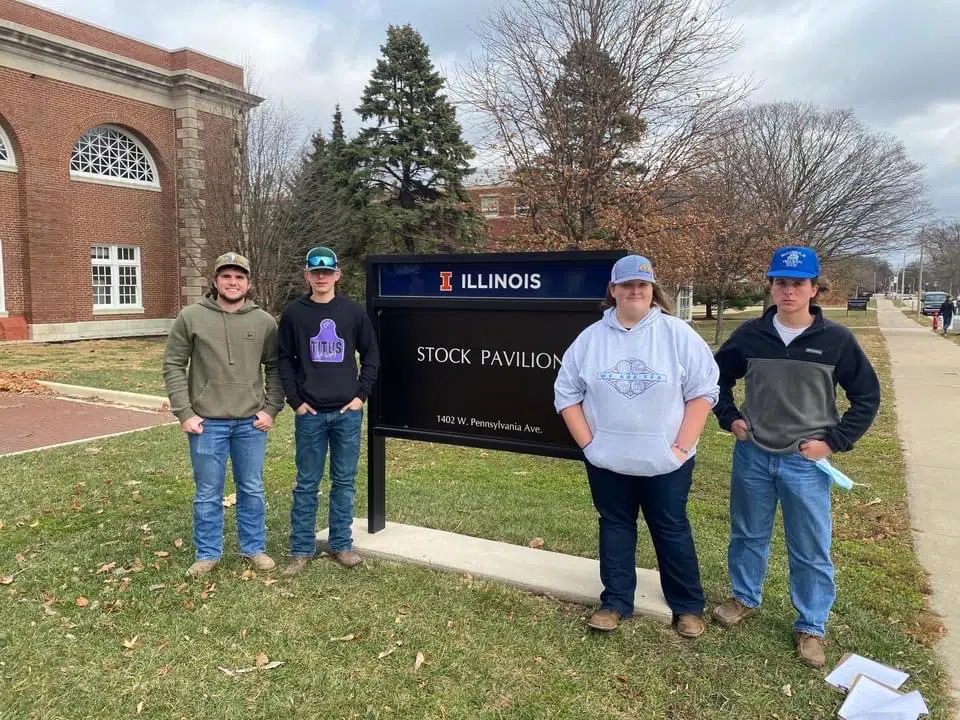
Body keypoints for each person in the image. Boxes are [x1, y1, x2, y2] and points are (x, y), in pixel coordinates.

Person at [712, 246, 881, 669]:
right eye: (781, 282)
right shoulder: (750, 335)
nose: (788, 291)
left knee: (810, 547)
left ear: (814, 289)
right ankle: (744, 598)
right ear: (771, 286)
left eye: (798, 283)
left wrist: (834, 441)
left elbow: (866, 397)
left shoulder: (836, 340)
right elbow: (714, 379)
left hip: (805, 463)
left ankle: (811, 625)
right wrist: (729, 418)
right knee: (748, 534)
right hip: (753, 456)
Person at [554, 254, 720, 638]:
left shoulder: (677, 335)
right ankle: (614, 602)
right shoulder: (591, 339)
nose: (634, 291)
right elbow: (566, 394)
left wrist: (679, 448)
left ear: (652, 290)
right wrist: (590, 445)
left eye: (641, 285)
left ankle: (687, 606)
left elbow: (702, 393)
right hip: (607, 459)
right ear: (612, 291)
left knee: (671, 527)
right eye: (626, 285)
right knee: (615, 526)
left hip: (667, 461)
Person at [162, 252, 284, 578]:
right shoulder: (190, 317)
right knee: (207, 492)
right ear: (215, 281)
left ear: (249, 283)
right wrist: (184, 412)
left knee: (252, 489)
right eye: (226, 276)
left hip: (250, 423)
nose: (233, 282)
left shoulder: (264, 322)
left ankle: (253, 548)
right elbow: (173, 365)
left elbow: (276, 368)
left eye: (239, 277)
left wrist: (271, 409)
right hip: (206, 423)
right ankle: (208, 553)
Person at [278, 247, 379, 575]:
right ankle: (301, 549)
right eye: (315, 272)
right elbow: (284, 360)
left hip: (347, 413)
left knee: (344, 482)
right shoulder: (295, 313)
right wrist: (296, 401)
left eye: (327, 271)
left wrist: (361, 396)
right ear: (306, 275)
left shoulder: (352, 312)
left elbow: (372, 355)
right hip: (311, 414)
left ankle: (341, 544)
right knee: (307, 483)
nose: (321, 277)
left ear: (338, 275)